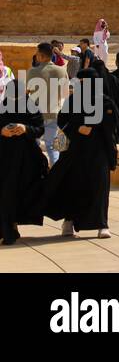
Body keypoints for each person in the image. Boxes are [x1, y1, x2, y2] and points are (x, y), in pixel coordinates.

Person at [43, 61, 119, 239]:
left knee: (99, 187)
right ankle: (69, 222)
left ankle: (102, 224)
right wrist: (77, 128)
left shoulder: (104, 101)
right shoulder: (73, 101)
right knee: (73, 185)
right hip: (74, 151)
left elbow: (114, 122)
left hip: (98, 151)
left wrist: (97, 125)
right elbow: (62, 120)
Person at [0, 74, 50, 245]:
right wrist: (2, 131)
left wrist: (25, 128)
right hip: (5, 158)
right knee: (6, 193)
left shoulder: (31, 107)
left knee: (23, 193)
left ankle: (12, 225)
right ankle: (7, 230)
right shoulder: (2, 106)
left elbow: (39, 129)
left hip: (27, 159)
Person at [26, 42, 68, 166]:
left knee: (34, 144)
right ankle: (56, 176)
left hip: (36, 115)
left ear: (42, 56)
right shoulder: (61, 71)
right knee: (53, 148)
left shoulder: (33, 72)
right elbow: (65, 93)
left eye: (37, 53)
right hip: (55, 113)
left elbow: (27, 93)